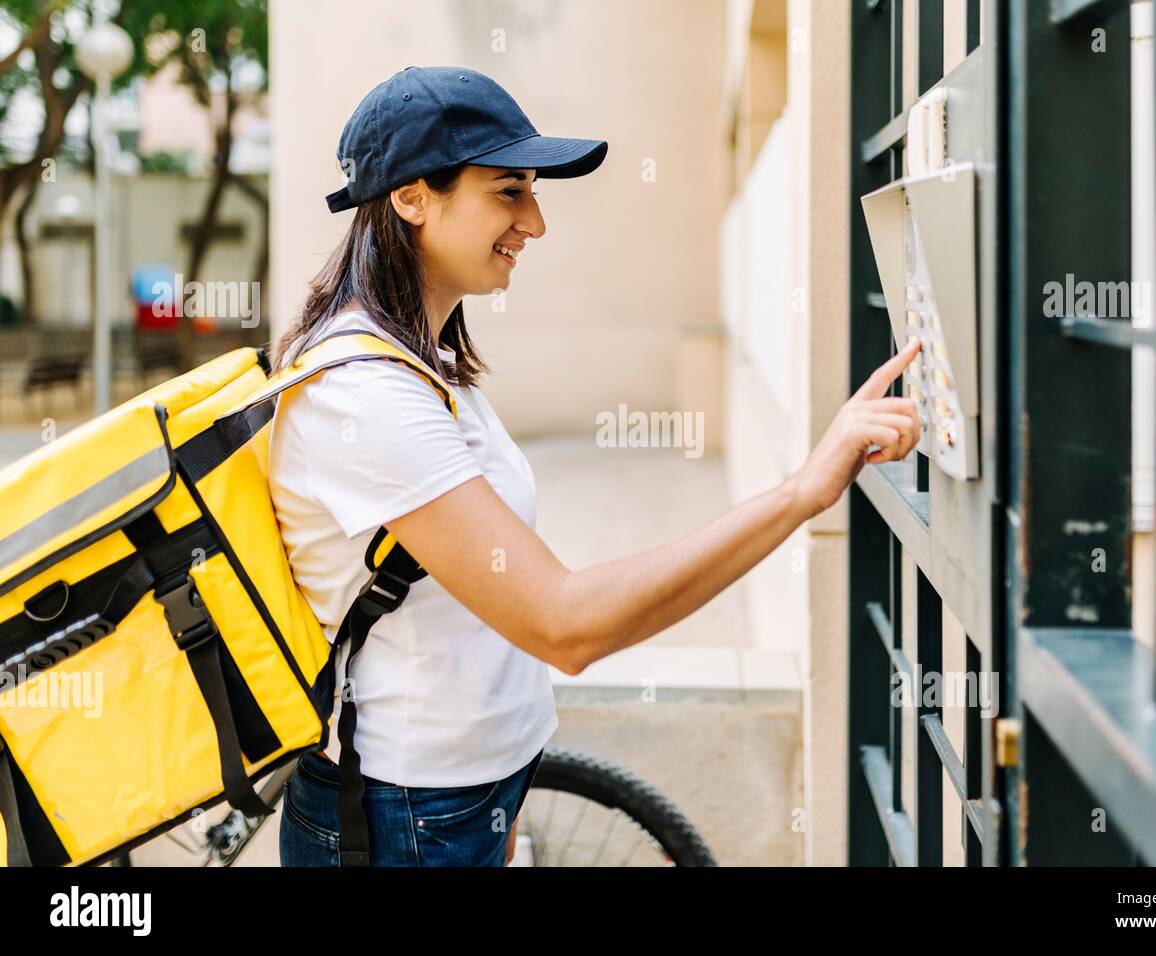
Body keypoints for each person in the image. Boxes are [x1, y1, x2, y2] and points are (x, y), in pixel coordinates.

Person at [270, 66, 921, 867]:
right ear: (411, 197)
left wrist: (508, 785)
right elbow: (566, 625)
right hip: (408, 818)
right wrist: (802, 492)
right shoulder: (363, 392)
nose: (534, 222)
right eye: (508, 192)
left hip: (466, 794)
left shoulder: (419, 360)